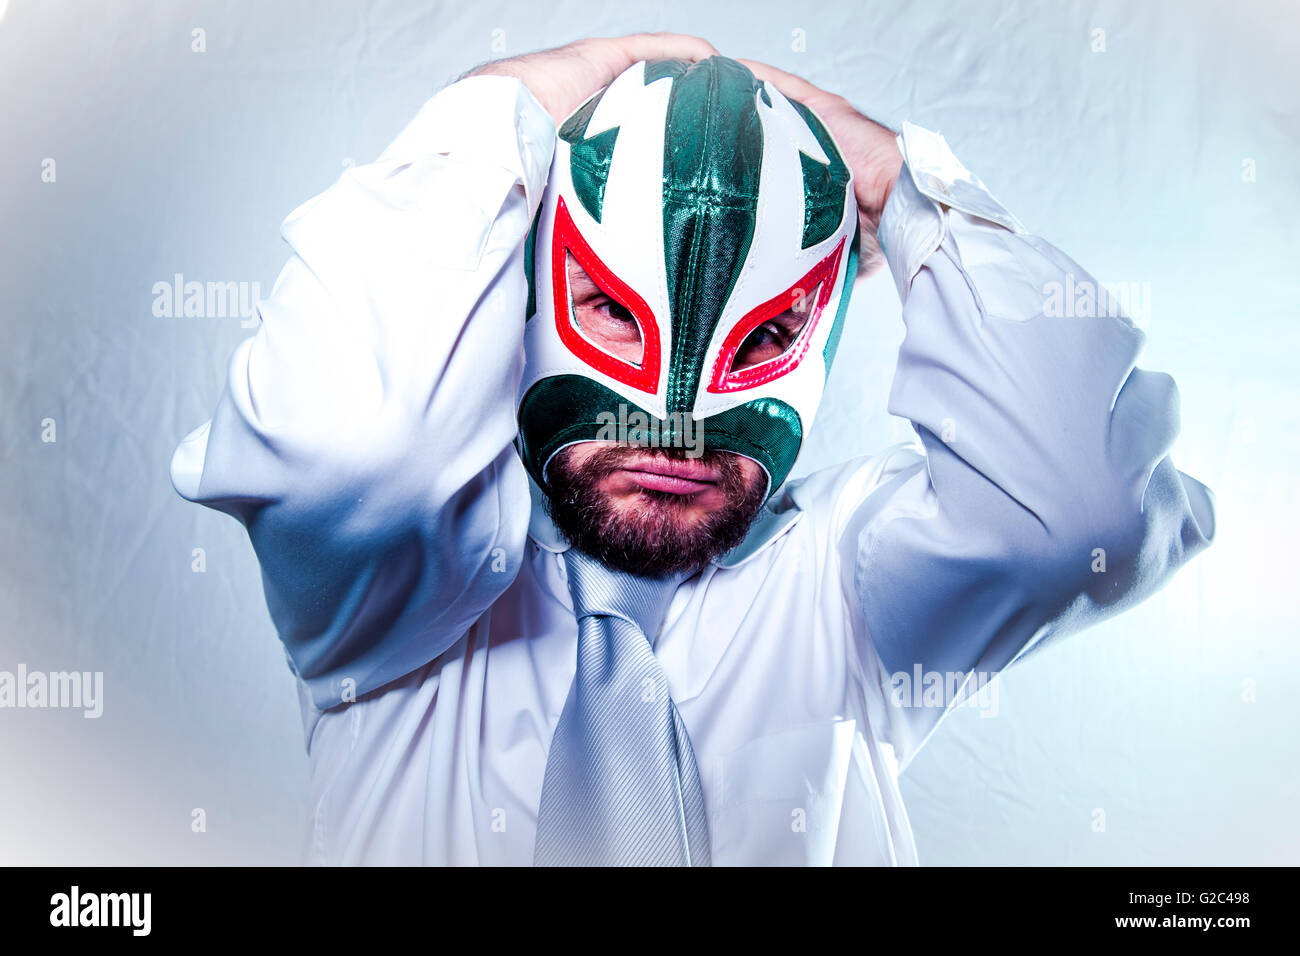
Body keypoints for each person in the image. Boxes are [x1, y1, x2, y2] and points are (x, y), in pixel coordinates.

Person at [170, 33, 1216, 866]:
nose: (674, 417)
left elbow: (1084, 509)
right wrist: (515, 102)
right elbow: (347, 450)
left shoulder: (849, 596)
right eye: (611, 313)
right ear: (522, 297)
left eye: (763, 336)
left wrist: (894, 180)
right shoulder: (396, 595)